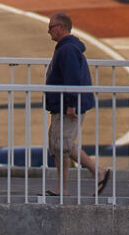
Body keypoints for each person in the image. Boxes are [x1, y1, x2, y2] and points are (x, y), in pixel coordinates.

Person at [44, 12, 107, 196]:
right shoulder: (65, 48)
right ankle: (61, 188)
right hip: (62, 105)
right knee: (58, 146)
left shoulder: (68, 50)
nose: (49, 32)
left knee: (63, 144)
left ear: (61, 27)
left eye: (51, 28)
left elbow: (73, 78)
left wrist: (71, 104)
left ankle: (98, 171)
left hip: (67, 106)